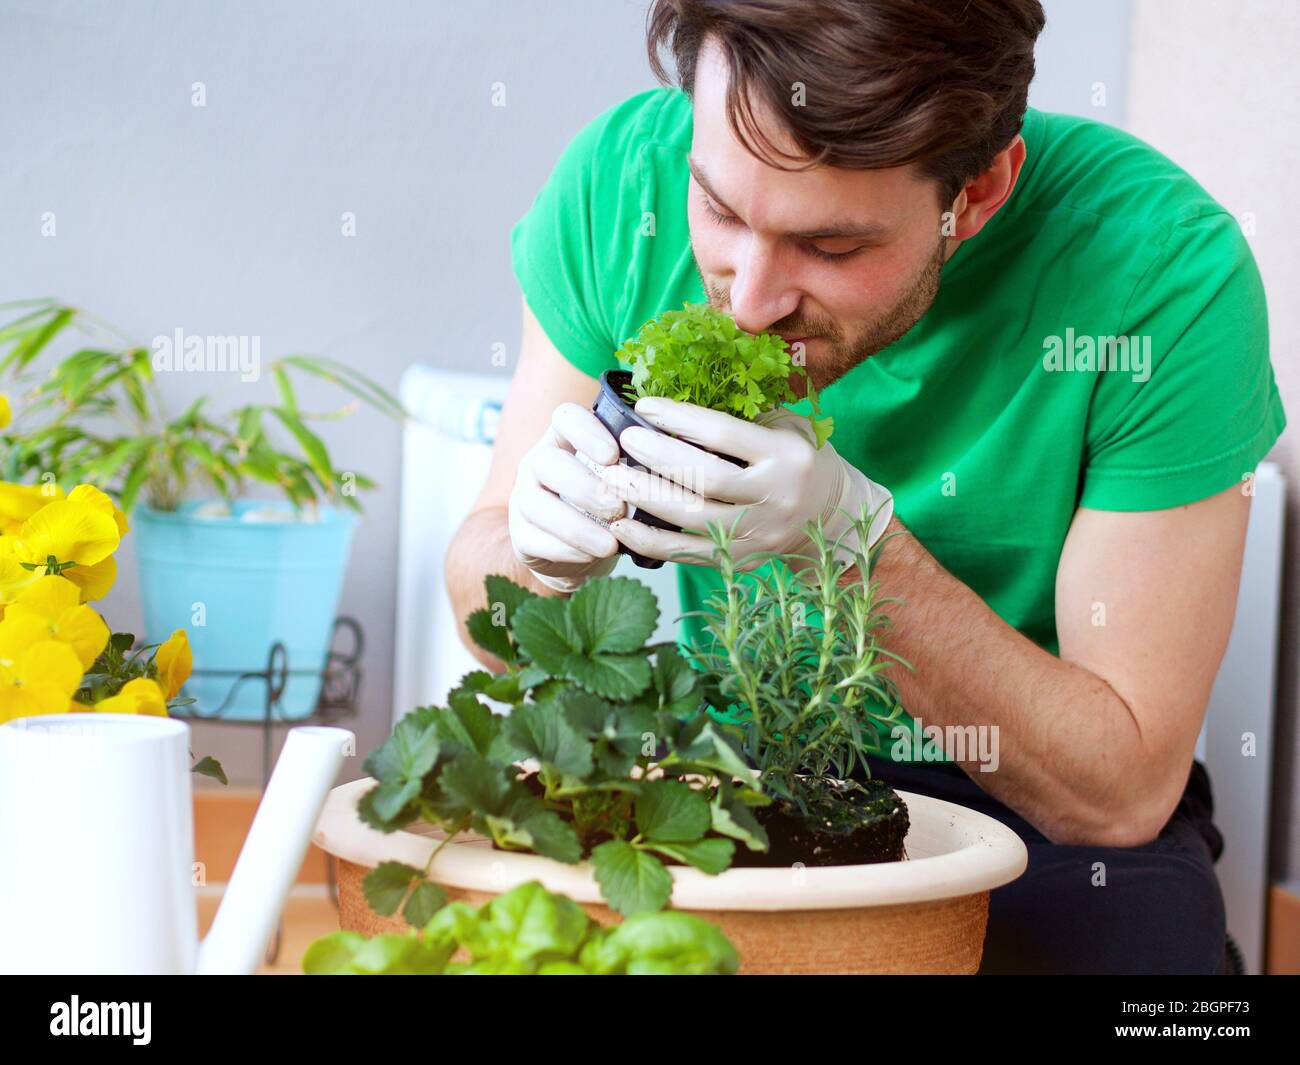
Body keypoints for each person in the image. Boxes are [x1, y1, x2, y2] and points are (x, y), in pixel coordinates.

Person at [446, 0, 1286, 973]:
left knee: (1153, 972)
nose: (750, 298)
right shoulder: (617, 181)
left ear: (974, 195)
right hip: (721, 761)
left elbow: (1121, 792)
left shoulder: (1158, 268)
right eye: (718, 209)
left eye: (831, 247)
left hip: (1029, 803)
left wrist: (850, 551)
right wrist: (535, 561)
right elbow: (483, 603)